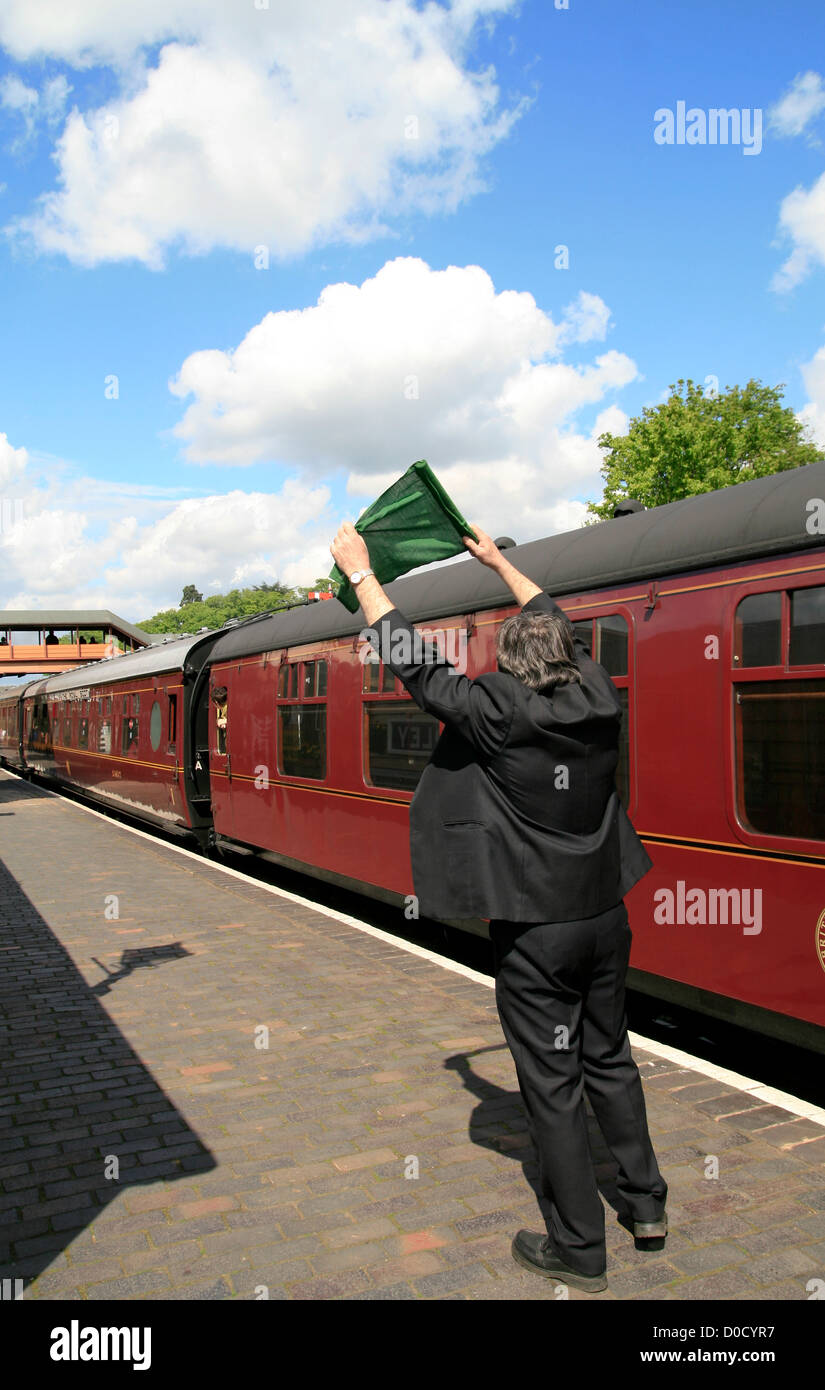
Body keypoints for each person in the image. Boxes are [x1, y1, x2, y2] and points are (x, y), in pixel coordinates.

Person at [330, 520, 667, 1294]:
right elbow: (554, 617)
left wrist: (361, 577)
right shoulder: (596, 695)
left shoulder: (496, 712)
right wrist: (498, 564)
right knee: (609, 1057)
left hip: (535, 931)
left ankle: (579, 1249)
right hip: (604, 917)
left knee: (550, 1083)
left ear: (509, 668)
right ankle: (645, 1207)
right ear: (565, 656)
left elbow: (414, 665)